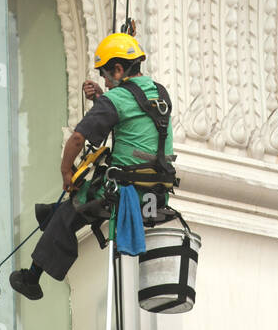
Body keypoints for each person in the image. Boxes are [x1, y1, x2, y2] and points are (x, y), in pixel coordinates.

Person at [9, 32, 174, 300]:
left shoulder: (116, 99)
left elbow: (77, 139)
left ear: (118, 69)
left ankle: (32, 278)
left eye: (105, 75)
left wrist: (66, 172)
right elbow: (134, 121)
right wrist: (101, 99)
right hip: (156, 189)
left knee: (68, 212)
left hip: (125, 190)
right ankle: (46, 220)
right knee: (63, 211)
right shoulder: (160, 93)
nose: (105, 82)